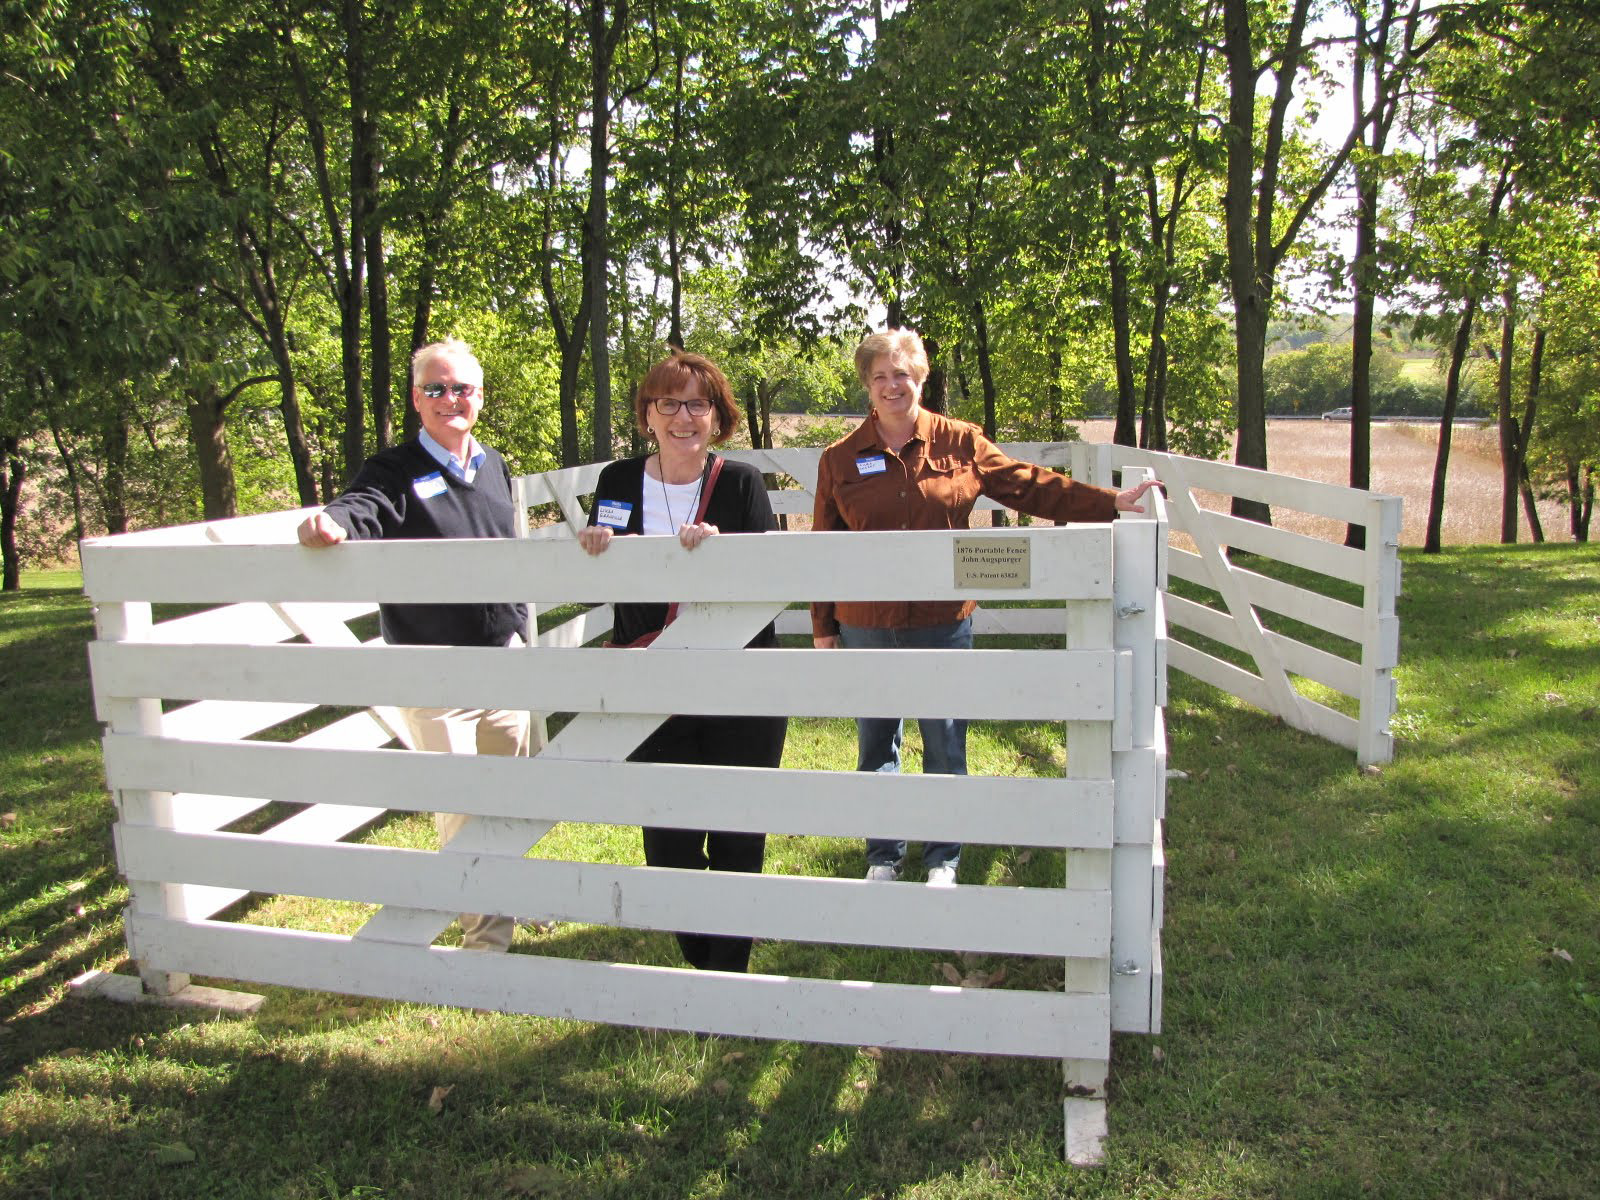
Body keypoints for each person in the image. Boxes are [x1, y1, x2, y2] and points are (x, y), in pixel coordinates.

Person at [811, 329, 1159, 887]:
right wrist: (824, 625)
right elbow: (823, 547)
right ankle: (884, 854)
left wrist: (1108, 503)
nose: (891, 385)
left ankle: (942, 858)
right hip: (866, 623)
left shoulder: (961, 442)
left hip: (942, 622)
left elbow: (1030, 486)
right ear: (866, 386)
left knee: (944, 739)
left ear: (920, 377)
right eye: (879, 376)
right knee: (877, 740)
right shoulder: (840, 459)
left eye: (901, 373)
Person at [296, 337, 533, 951]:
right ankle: (486, 946)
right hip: (434, 674)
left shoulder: (495, 466)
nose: (450, 399)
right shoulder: (394, 469)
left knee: (506, 803)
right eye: (436, 389)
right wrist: (332, 522)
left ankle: (502, 915)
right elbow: (361, 507)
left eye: (462, 389)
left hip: (503, 659)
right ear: (416, 399)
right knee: (460, 810)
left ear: (479, 397)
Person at [577, 350, 787, 974]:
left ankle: (727, 974)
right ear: (647, 415)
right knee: (666, 837)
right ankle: (703, 955)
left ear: (718, 418)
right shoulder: (617, 481)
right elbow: (601, 556)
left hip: (739, 687)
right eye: (668, 402)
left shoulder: (743, 483)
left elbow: (769, 583)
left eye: (698, 403)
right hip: (652, 681)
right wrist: (596, 545)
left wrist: (723, 557)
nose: (683, 416)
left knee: (737, 832)